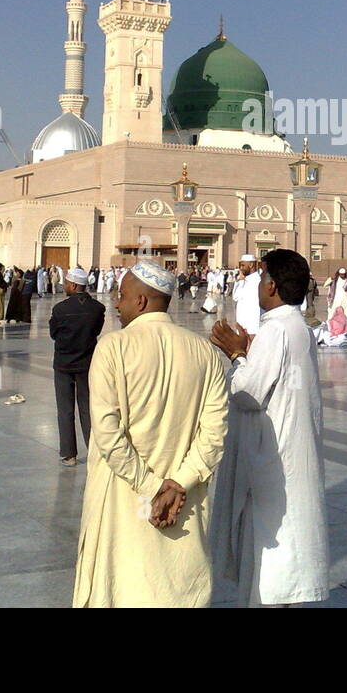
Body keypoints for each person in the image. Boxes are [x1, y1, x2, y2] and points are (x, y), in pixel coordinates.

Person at [73, 260, 229, 608]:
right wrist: (179, 483)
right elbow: (215, 434)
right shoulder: (206, 353)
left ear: (141, 302)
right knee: (174, 587)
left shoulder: (113, 348)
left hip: (124, 496)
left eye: (122, 295)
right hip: (182, 501)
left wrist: (152, 486)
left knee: (123, 585)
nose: (116, 303)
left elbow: (108, 436)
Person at [209, 249, 329, 607]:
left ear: (273, 285)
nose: (260, 284)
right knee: (286, 549)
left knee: (269, 557)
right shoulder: (297, 327)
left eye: (262, 278)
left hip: (271, 460)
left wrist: (236, 355)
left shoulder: (276, 328)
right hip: (291, 453)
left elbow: (247, 392)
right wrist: (250, 349)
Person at [50, 266, 106, 466]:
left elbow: (53, 333)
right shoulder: (97, 308)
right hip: (87, 363)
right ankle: (94, 450)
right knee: (87, 408)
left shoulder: (60, 309)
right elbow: (97, 330)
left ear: (73, 285)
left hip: (64, 364)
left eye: (66, 283)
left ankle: (68, 454)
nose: (65, 286)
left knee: (65, 409)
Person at [231, 253, 261, 336]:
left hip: (253, 326)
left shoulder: (258, 281)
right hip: (242, 323)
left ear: (251, 265)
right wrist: (240, 280)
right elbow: (235, 297)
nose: (241, 268)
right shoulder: (243, 280)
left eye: (243, 265)